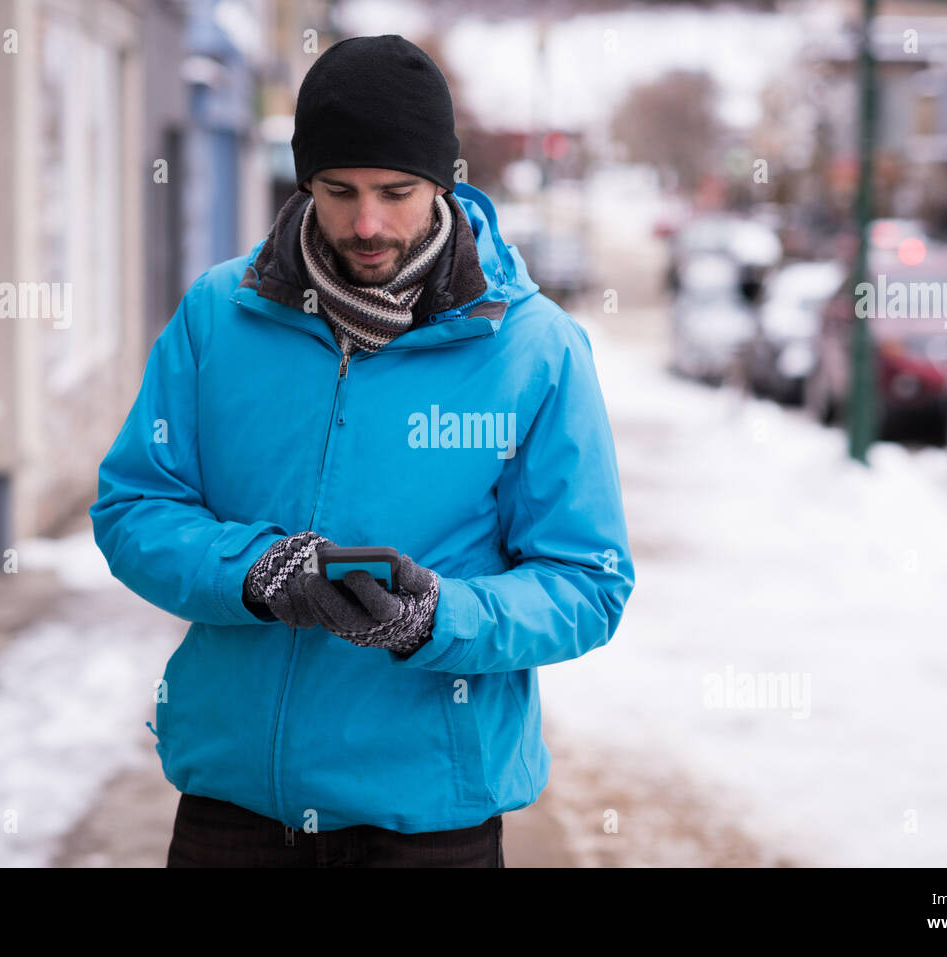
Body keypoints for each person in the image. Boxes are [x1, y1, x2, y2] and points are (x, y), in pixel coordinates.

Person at [89, 34, 634, 867]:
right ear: (305, 182)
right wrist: (255, 572)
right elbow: (135, 507)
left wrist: (437, 618)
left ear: (445, 182)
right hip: (233, 810)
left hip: (424, 822)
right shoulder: (217, 315)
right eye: (339, 191)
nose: (367, 222)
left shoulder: (535, 350)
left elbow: (586, 580)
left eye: (396, 191)